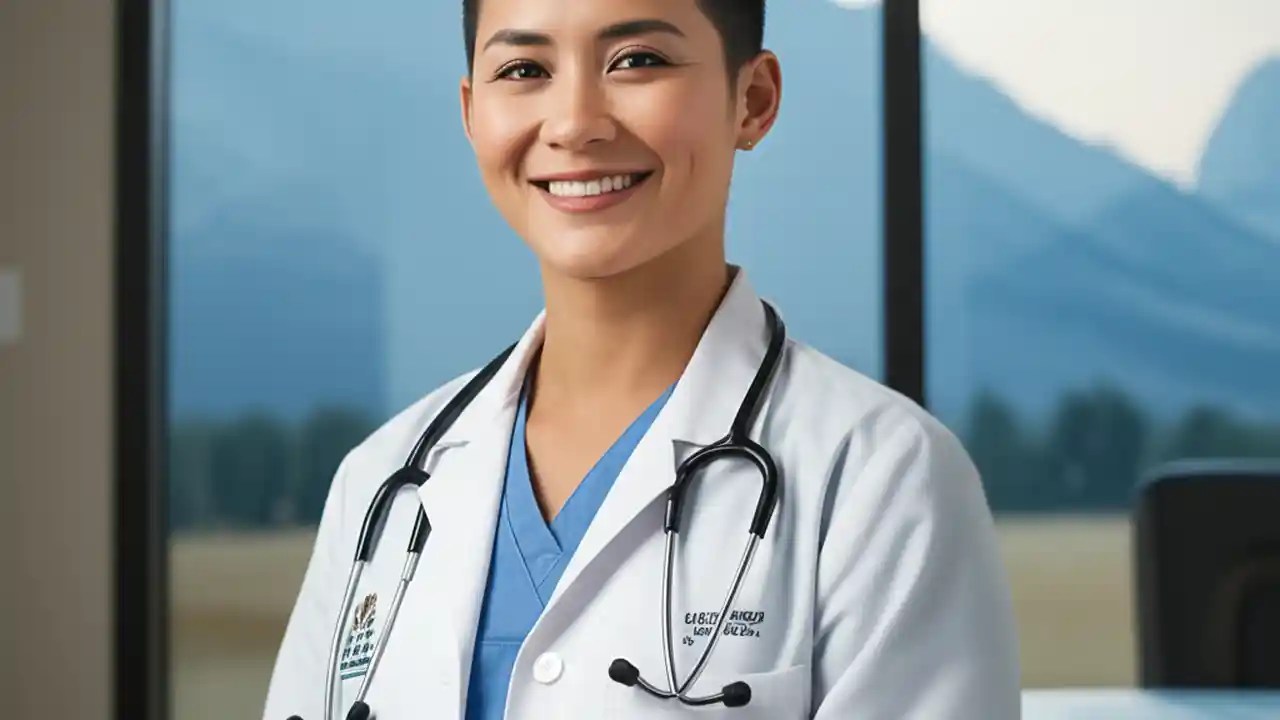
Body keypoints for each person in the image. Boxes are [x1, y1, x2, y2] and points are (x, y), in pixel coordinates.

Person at [262, 0, 1021, 717]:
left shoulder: (881, 480)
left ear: (752, 99)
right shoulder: (383, 482)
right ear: (471, 113)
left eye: (637, 59)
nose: (575, 124)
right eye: (524, 71)